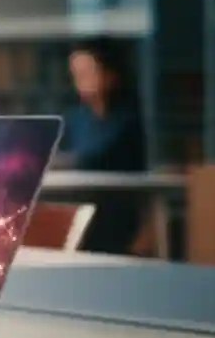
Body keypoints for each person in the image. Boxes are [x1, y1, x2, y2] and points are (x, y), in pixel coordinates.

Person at [56, 36, 149, 254]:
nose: (81, 81)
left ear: (110, 74)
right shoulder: (76, 118)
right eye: (76, 75)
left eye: (88, 73)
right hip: (80, 209)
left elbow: (95, 157)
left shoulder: (128, 118)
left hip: (117, 215)